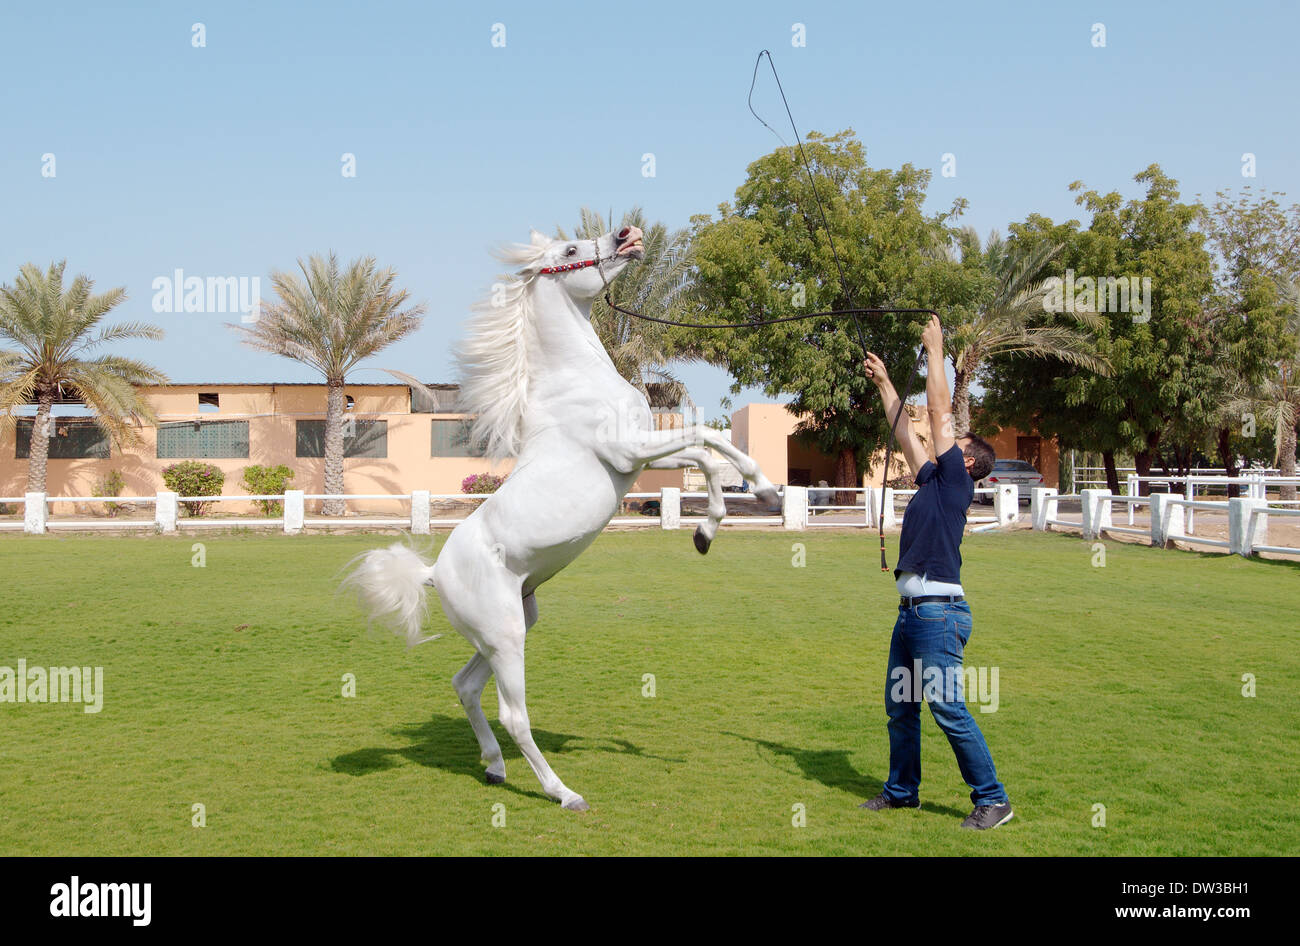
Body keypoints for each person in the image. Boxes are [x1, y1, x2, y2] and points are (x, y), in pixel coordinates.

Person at [859, 315, 1013, 830]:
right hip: (911, 614)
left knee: (948, 710)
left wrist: (937, 350)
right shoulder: (934, 481)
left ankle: (993, 799)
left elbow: (941, 413)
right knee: (901, 710)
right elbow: (907, 433)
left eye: (958, 446)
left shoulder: (957, 483)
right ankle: (903, 792)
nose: (948, 445)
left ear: (969, 463)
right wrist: (884, 384)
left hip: (938, 615)